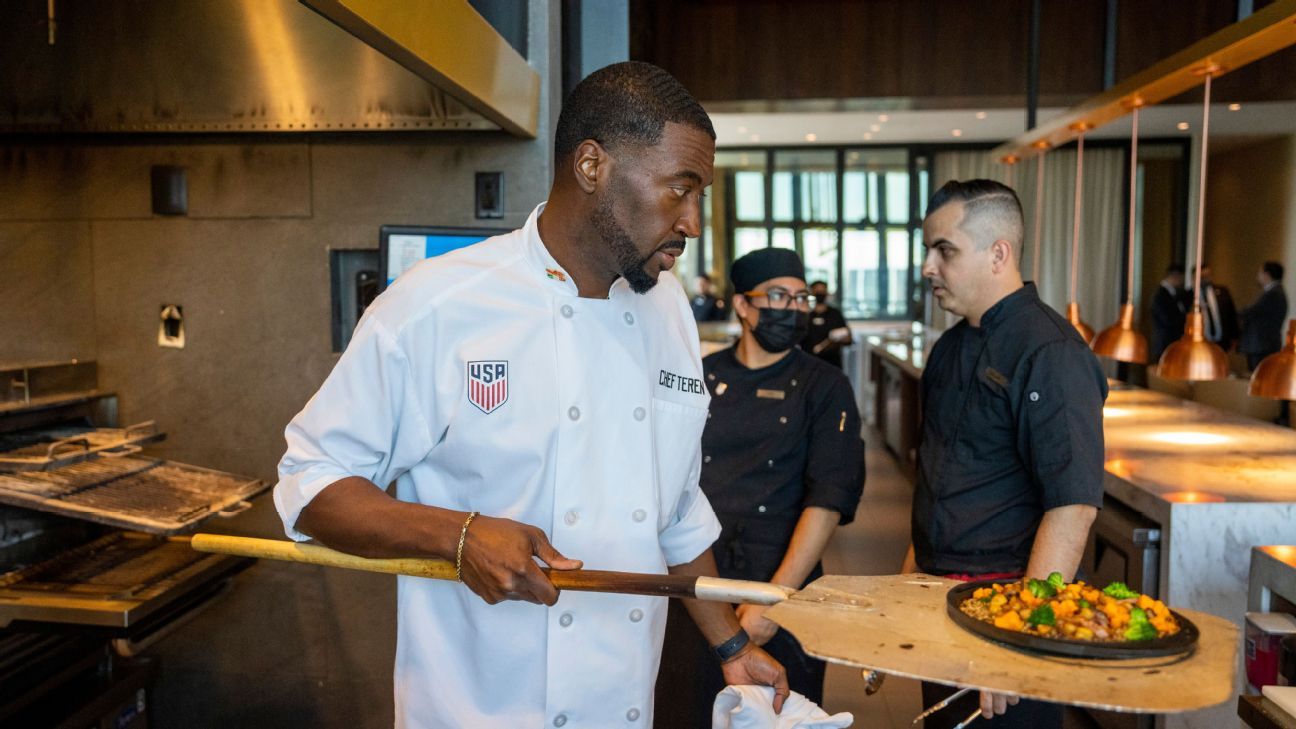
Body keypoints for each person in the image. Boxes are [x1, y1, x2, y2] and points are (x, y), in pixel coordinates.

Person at [272, 62, 788, 729]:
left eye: (701, 195)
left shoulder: (670, 315)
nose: (692, 221)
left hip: (622, 707)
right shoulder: (437, 305)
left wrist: (731, 643)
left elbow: (675, 507)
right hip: (473, 710)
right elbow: (309, 481)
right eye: (679, 190)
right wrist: (457, 534)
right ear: (592, 166)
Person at [903, 180, 1106, 728]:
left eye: (944, 250)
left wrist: (1017, 638)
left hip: (1011, 609)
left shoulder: (1052, 352)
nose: (928, 266)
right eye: (927, 250)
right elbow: (937, 482)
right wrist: (905, 590)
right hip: (939, 601)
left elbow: (1073, 507)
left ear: (999, 253)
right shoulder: (949, 348)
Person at [655, 249, 865, 726]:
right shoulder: (703, 377)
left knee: (780, 714)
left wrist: (774, 599)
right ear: (742, 306)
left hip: (784, 584)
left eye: (799, 298)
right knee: (688, 708)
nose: (791, 309)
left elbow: (828, 499)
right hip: (700, 580)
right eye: (776, 296)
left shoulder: (826, 385)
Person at [1240, 261, 1288, 371]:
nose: (1258, 276)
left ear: (1267, 274)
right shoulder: (1274, 292)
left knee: (1259, 377)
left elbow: (1252, 311)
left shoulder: (1273, 294)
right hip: (1264, 344)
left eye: (1260, 273)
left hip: (1262, 346)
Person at [801, 280, 852, 369]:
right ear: (812, 292)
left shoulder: (835, 314)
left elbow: (848, 339)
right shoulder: (805, 315)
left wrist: (834, 341)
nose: (820, 294)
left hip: (832, 364)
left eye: (822, 291)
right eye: (817, 291)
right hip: (809, 365)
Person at [1190, 263, 1239, 352]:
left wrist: (1234, 337)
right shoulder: (1188, 295)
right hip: (1198, 342)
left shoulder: (1222, 292)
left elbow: (1231, 315)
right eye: (1203, 277)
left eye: (1208, 276)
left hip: (1221, 341)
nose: (1206, 280)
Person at [1149, 263, 1188, 363]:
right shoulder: (1160, 295)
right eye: (1181, 278)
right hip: (1165, 343)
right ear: (1175, 276)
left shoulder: (1176, 293)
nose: (1182, 281)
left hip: (1172, 343)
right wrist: (1186, 318)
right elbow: (1167, 320)